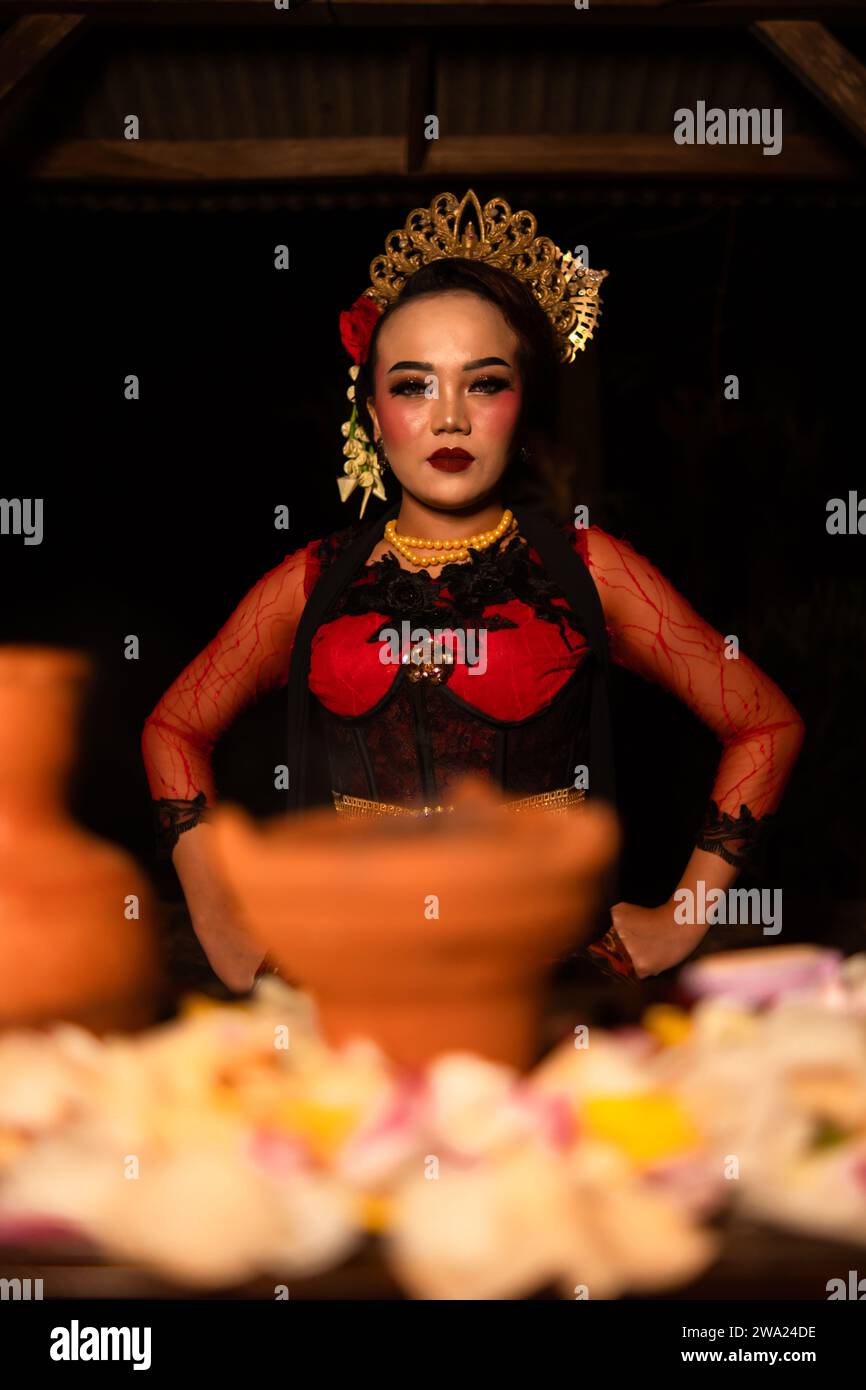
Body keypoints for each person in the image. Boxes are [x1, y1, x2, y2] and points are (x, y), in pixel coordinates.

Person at [141, 190, 805, 992]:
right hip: (350, 981)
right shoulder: (312, 580)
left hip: (552, 990)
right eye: (415, 385)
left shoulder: (590, 569)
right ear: (373, 413)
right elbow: (174, 729)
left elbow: (764, 724)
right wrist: (221, 920)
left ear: (522, 410)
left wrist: (683, 918)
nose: (449, 417)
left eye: (483, 384)